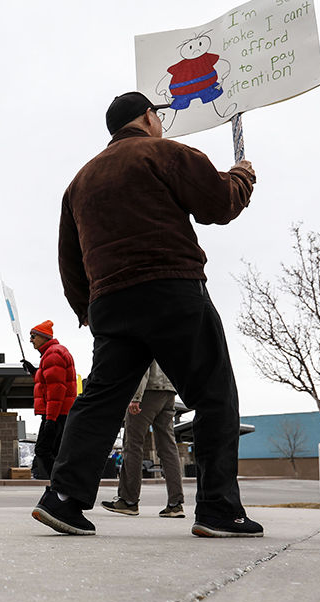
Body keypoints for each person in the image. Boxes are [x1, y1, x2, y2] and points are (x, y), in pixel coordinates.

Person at [32, 91, 262, 538]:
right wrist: (241, 178)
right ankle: (218, 509)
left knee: (99, 400)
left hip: (111, 303)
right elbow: (217, 203)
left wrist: (89, 309)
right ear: (148, 118)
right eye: (159, 115)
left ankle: (63, 499)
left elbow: (68, 259)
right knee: (215, 397)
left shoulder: (79, 182)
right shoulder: (163, 153)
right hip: (171, 287)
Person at [101, 360, 186, 518]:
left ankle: (129, 500)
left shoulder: (147, 334)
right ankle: (176, 504)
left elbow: (142, 363)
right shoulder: (173, 335)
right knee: (168, 447)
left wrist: (136, 396)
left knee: (133, 444)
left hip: (148, 389)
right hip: (169, 391)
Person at [20, 320, 77, 479]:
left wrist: (50, 420)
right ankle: (61, 486)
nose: (31, 340)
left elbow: (56, 390)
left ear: (44, 337)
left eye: (33, 336)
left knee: (43, 450)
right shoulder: (53, 353)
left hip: (56, 413)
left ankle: (60, 485)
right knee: (56, 451)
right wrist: (34, 371)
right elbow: (49, 383)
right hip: (61, 412)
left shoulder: (52, 354)